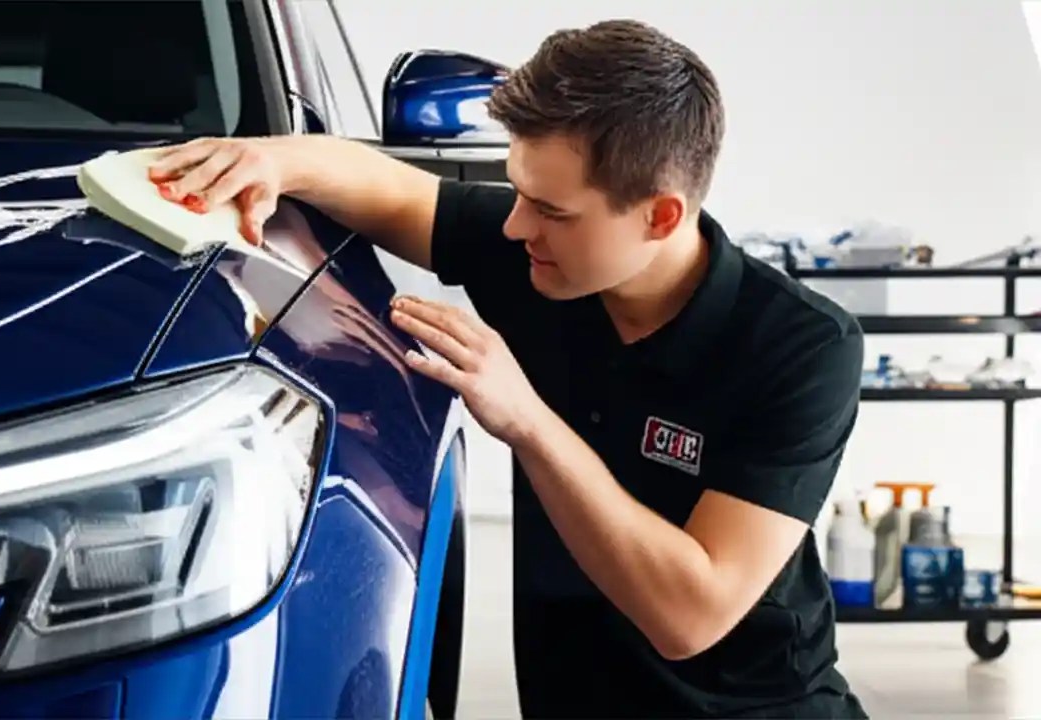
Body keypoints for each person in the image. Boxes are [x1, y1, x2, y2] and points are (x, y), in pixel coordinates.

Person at [149, 17, 868, 720]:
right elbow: (394, 189)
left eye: (551, 209)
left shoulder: (802, 348)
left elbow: (690, 613)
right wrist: (274, 160)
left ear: (659, 216)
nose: (518, 225)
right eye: (516, 190)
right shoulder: (543, 258)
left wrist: (527, 421)